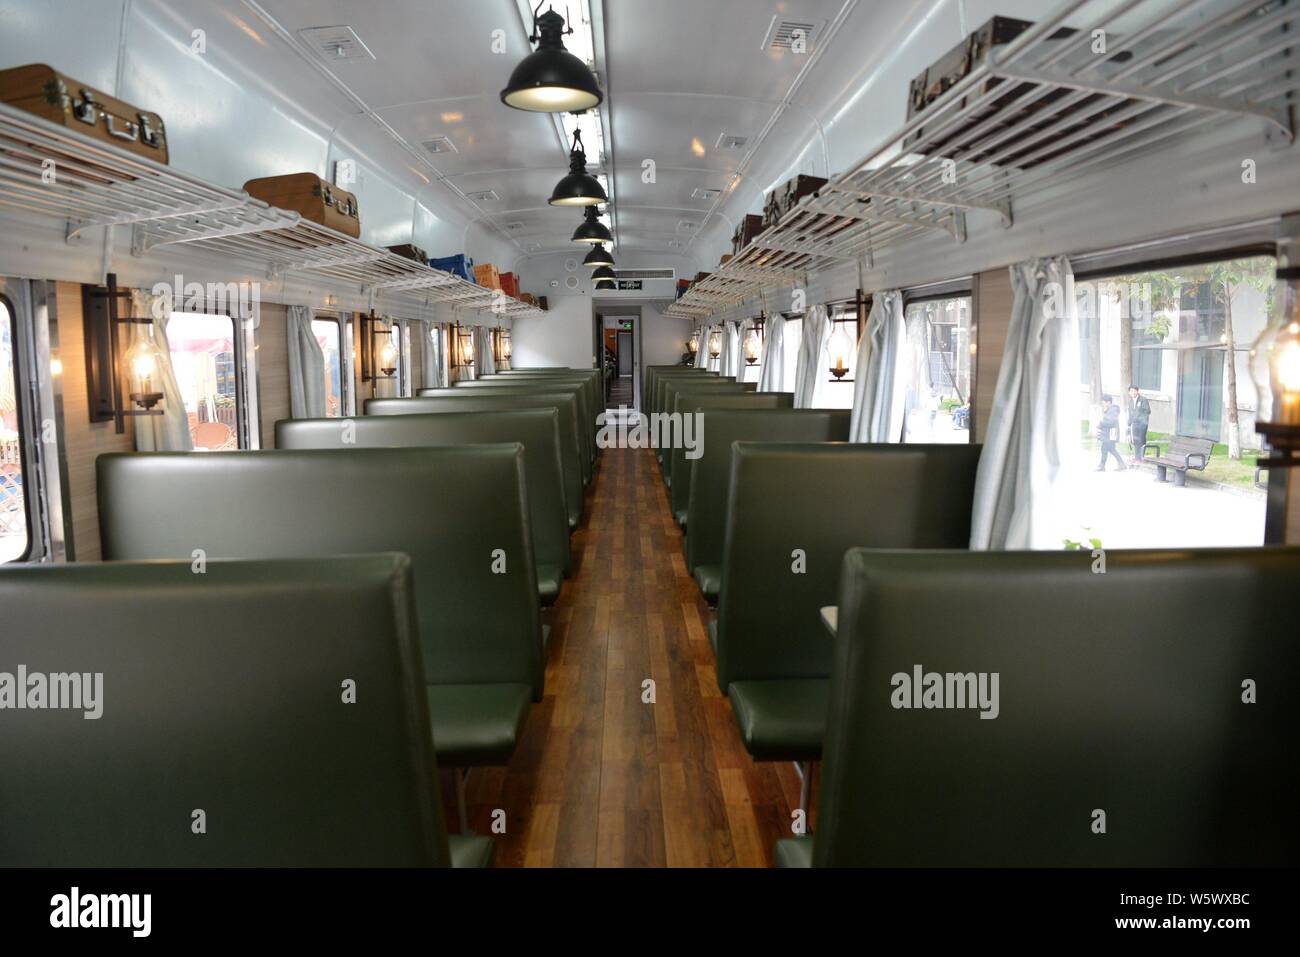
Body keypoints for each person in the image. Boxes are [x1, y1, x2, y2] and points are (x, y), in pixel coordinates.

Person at [1096, 395, 1126, 472]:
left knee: (1105, 449)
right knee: (1111, 449)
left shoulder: (1113, 410)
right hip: (1109, 433)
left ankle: (1102, 466)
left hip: (1111, 433)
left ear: (1108, 402)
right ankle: (1121, 464)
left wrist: (1101, 424)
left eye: (1104, 403)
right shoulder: (1109, 410)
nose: (1103, 404)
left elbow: (1111, 422)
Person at [1127, 385, 1151, 463]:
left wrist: (1139, 418)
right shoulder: (1130, 402)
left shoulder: (1143, 400)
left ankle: (1141, 458)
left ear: (1137, 391)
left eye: (1134, 391)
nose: (1132, 392)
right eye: (1131, 391)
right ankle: (1137, 457)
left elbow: (1147, 411)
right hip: (1134, 424)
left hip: (1142, 424)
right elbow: (1130, 414)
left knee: (1141, 440)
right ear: (1129, 392)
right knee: (1136, 440)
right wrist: (1129, 423)